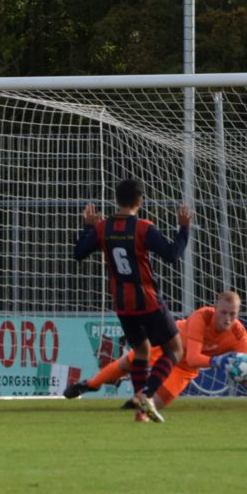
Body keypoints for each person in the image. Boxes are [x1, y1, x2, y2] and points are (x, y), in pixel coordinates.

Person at [73, 176, 191, 422]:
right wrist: (184, 228)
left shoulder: (103, 227)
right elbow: (172, 254)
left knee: (141, 350)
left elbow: (79, 253)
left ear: (117, 200)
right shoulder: (143, 227)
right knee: (176, 349)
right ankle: (146, 394)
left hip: (122, 304)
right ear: (140, 200)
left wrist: (88, 227)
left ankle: (141, 414)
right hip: (147, 301)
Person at [66, 288, 247, 411]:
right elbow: (195, 357)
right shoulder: (202, 317)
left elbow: (246, 364)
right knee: (127, 363)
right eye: (223, 312)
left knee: (153, 406)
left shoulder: (240, 335)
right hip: (170, 346)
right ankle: (91, 384)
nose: (227, 318)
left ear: (238, 313)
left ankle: (134, 404)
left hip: (185, 368)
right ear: (215, 308)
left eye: (233, 314)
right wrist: (218, 361)